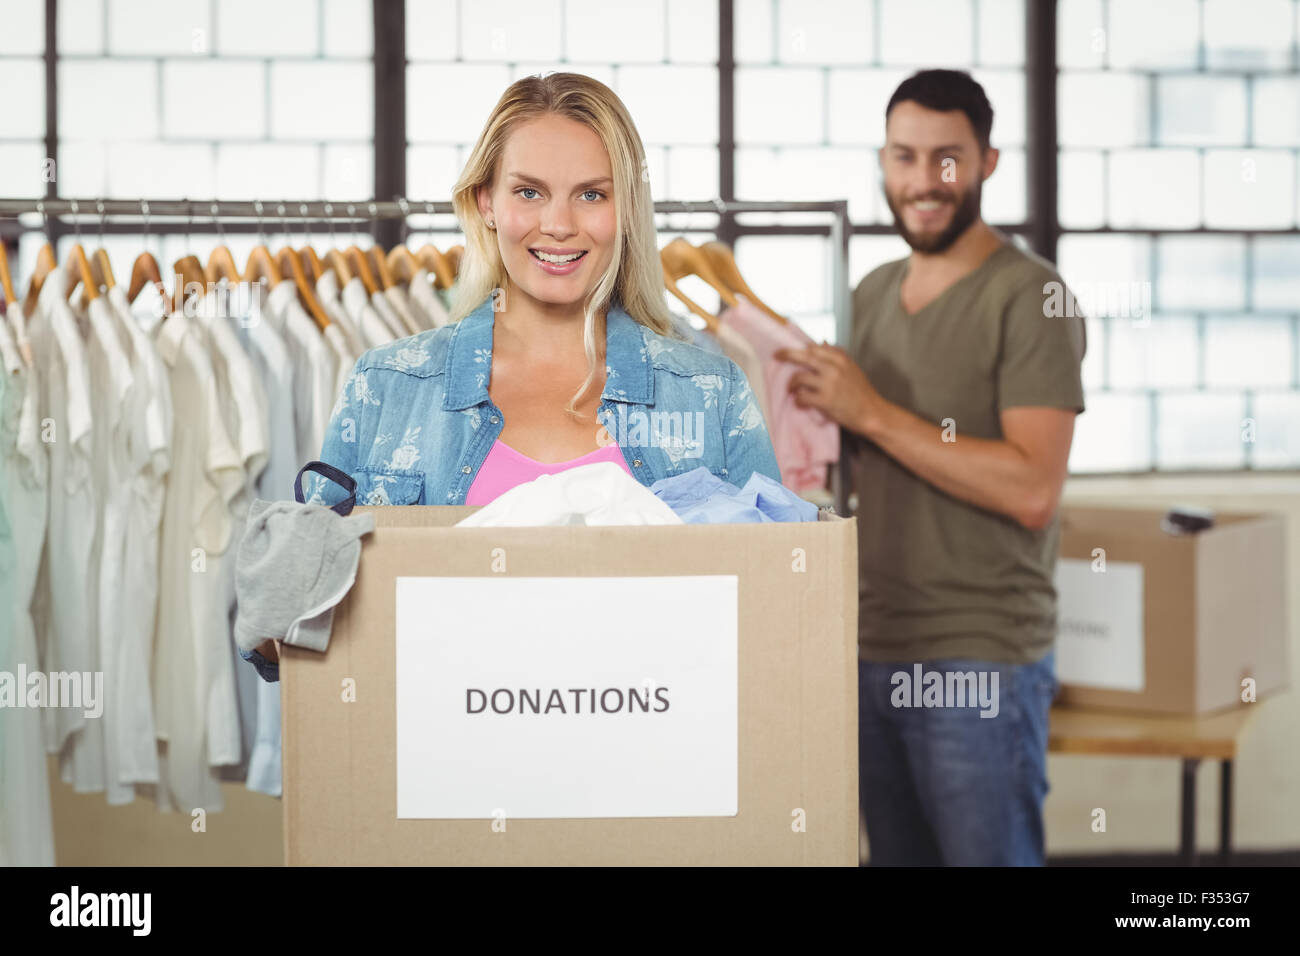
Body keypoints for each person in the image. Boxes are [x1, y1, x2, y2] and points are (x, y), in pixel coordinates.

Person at [242, 72, 779, 673]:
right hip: (446, 756)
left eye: (592, 194)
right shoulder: (386, 385)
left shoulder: (711, 393)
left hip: (651, 754)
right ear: (485, 204)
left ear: (626, 210)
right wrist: (277, 600)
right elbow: (296, 642)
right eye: (528, 192)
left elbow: (778, 612)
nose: (558, 223)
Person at [776, 69, 1086, 866]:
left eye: (947, 159)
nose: (923, 181)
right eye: (904, 157)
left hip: (978, 656)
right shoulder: (872, 292)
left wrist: (872, 411)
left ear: (987, 161)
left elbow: (1031, 489)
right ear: (882, 162)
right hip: (869, 642)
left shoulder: (1032, 297)